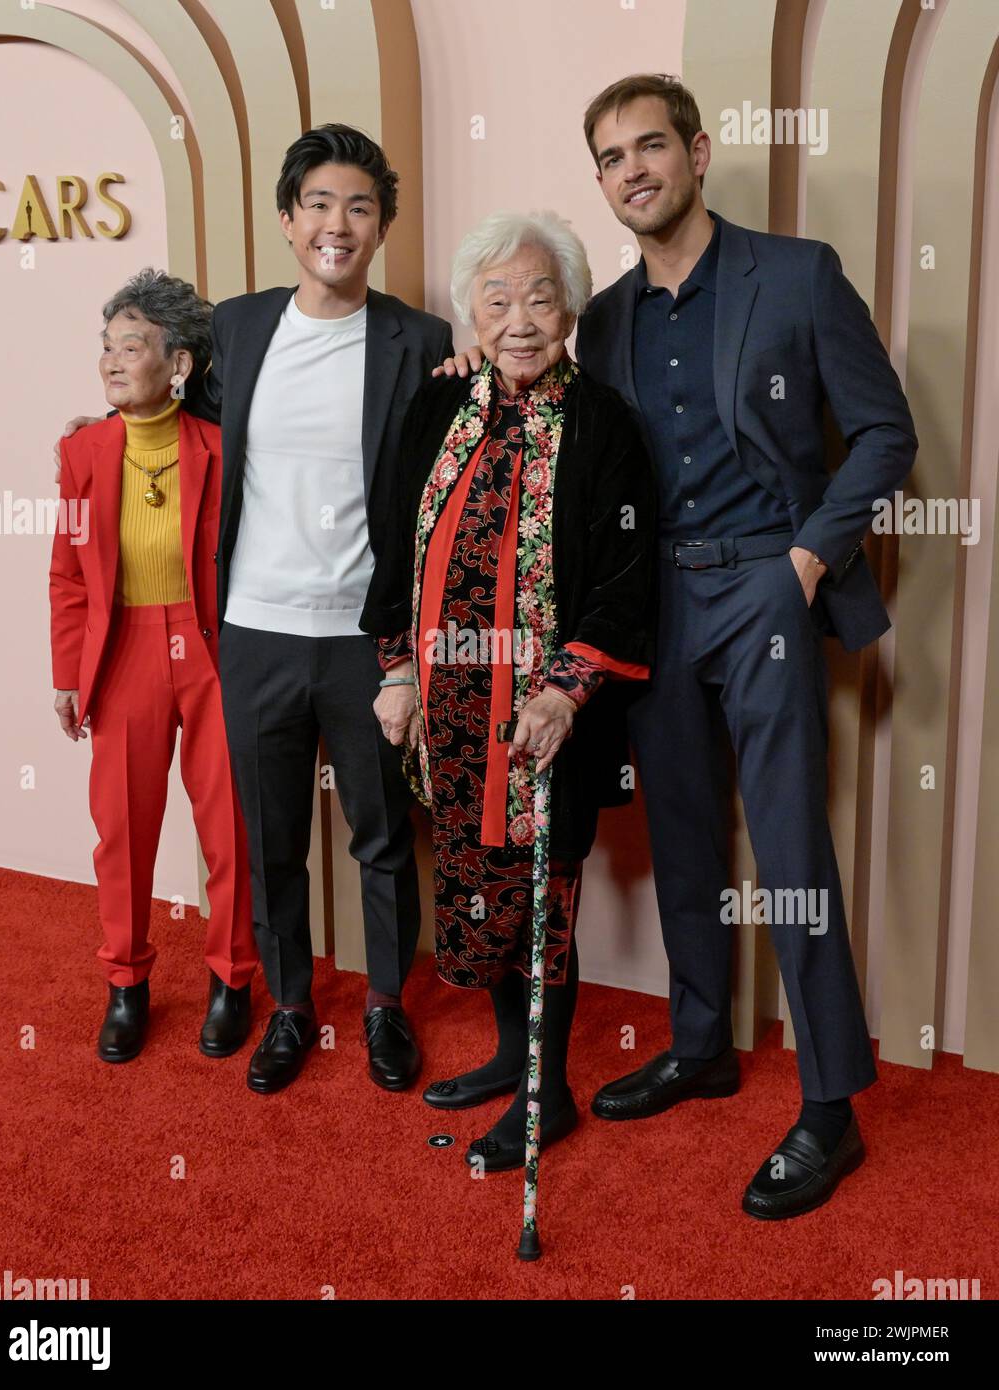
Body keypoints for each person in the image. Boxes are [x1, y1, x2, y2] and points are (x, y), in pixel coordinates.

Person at [438, 74, 917, 1217]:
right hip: (649, 604)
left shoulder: (794, 275)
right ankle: (701, 1040)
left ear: (695, 151)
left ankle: (828, 1108)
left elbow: (883, 432)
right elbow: (544, 417)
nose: (632, 170)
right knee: (687, 838)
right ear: (598, 181)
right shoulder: (596, 320)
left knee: (792, 853)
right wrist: (470, 370)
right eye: (608, 157)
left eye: (649, 146)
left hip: (765, 583)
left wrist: (803, 563)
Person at [57, 125, 455, 1097]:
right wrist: (97, 430)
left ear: (381, 227)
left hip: (363, 637)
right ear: (287, 220)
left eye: (359, 207)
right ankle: (287, 1007)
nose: (337, 223)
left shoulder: (420, 341)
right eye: (317, 203)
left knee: (381, 835)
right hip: (253, 632)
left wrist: (406, 653)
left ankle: (389, 1009)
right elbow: (171, 424)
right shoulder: (235, 330)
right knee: (269, 837)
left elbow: (438, 495)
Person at [362, 210, 656, 1171]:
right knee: (477, 889)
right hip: (447, 717)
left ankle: (550, 1091)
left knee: (539, 903)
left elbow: (625, 576)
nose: (520, 317)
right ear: (471, 315)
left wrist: (568, 692)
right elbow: (393, 542)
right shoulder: (436, 406)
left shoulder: (605, 423)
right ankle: (510, 1058)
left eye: (539, 296)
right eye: (498, 298)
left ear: (571, 306)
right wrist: (399, 667)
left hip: (540, 722)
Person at [50, 268, 258, 1064]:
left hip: (211, 646)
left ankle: (232, 982)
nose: (110, 360)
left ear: (177, 365)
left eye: (130, 346)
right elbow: (67, 573)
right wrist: (67, 673)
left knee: (228, 828)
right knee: (122, 831)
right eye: (106, 346)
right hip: (126, 648)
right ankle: (126, 985)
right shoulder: (80, 452)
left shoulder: (220, 446)